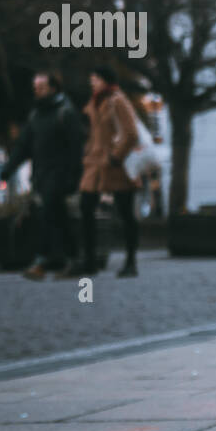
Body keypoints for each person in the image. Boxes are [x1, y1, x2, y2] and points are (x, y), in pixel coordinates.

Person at [0, 71, 83, 281]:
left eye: (41, 87)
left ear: (54, 88)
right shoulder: (36, 115)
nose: (37, 91)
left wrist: (74, 177)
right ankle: (73, 258)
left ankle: (41, 260)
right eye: (35, 87)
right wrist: (8, 169)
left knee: (46, 214)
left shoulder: (66, 113)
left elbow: (76, 150)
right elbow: (23, 146)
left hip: (60, 175)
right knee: (58, 217)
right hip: (41, 175)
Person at [76, 66, 141, 278]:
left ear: (105, 80)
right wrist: (87, 154)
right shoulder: (96, 102)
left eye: (95, 79)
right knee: (86, 207)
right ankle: (90, 260)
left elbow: (131, 133)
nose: (92, 83)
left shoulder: (117, 100)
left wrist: (116, 156)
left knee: (125, 213)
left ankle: (131, 261)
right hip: (95, 165)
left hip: (115, 166)